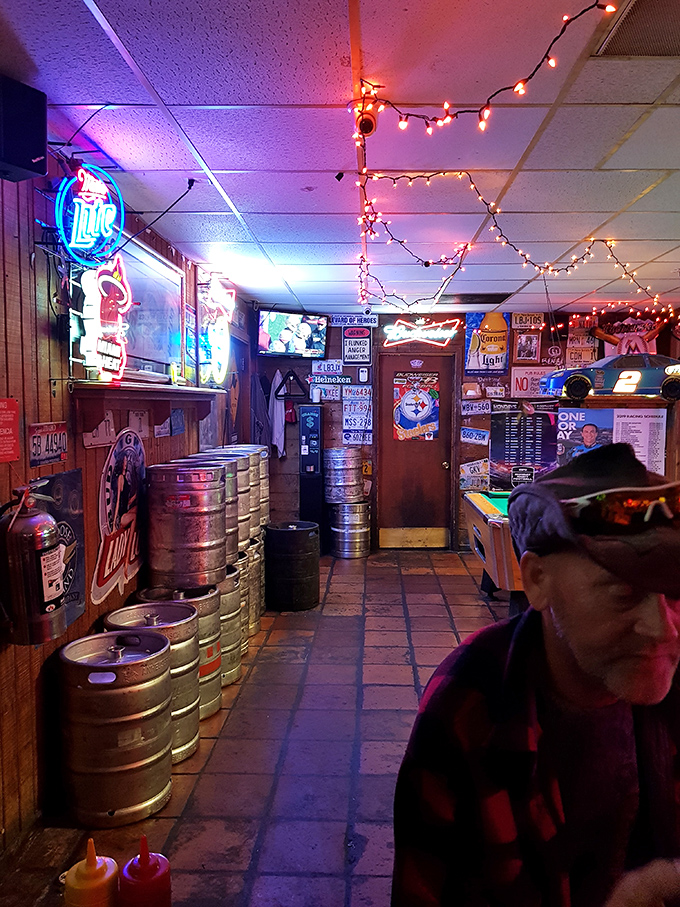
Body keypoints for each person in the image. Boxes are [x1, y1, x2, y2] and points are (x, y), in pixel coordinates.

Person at [392, 444, 680, 907]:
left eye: (676, 594)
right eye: (623, 594)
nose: (663, 628)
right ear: (537, 580)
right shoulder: (468, 707)